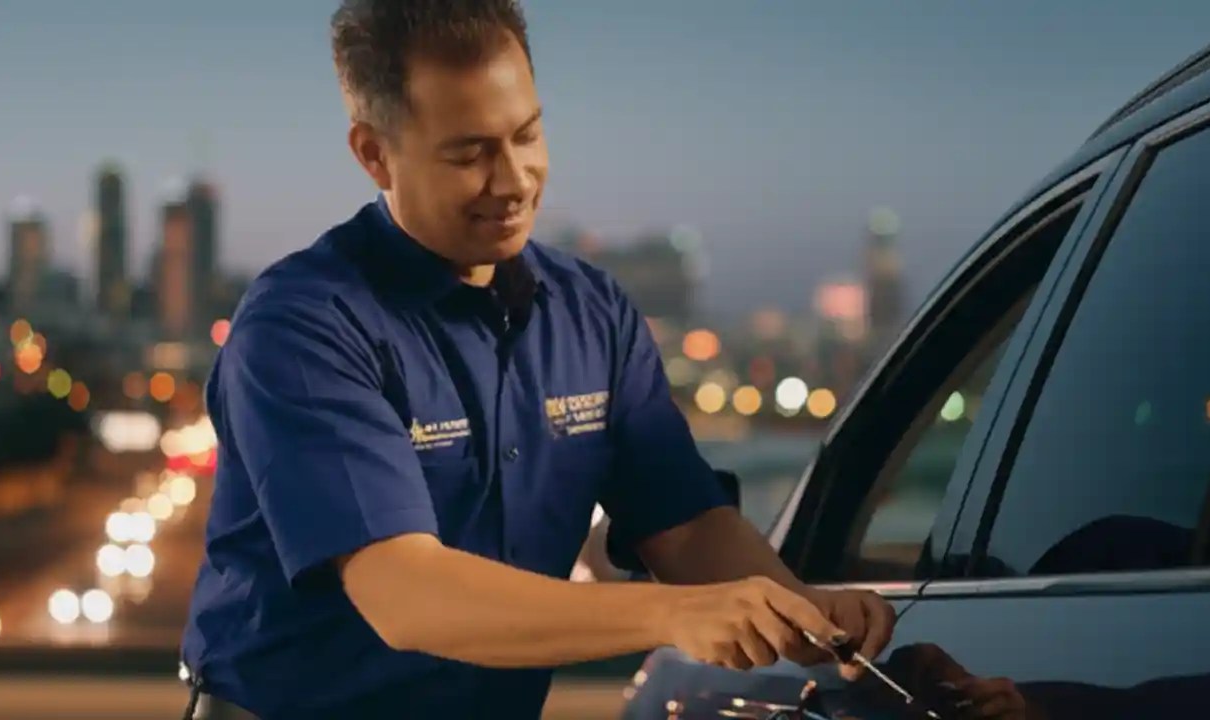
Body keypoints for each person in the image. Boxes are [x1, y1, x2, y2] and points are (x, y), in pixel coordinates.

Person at [179, 1, 895, 717]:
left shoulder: (593, 313)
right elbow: (405, 594)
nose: (515, 179)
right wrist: (672, 615)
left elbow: (685, 526)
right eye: (469, 153)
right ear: (374, 153)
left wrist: (802, 614)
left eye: (527, 134)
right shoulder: (305, 324)